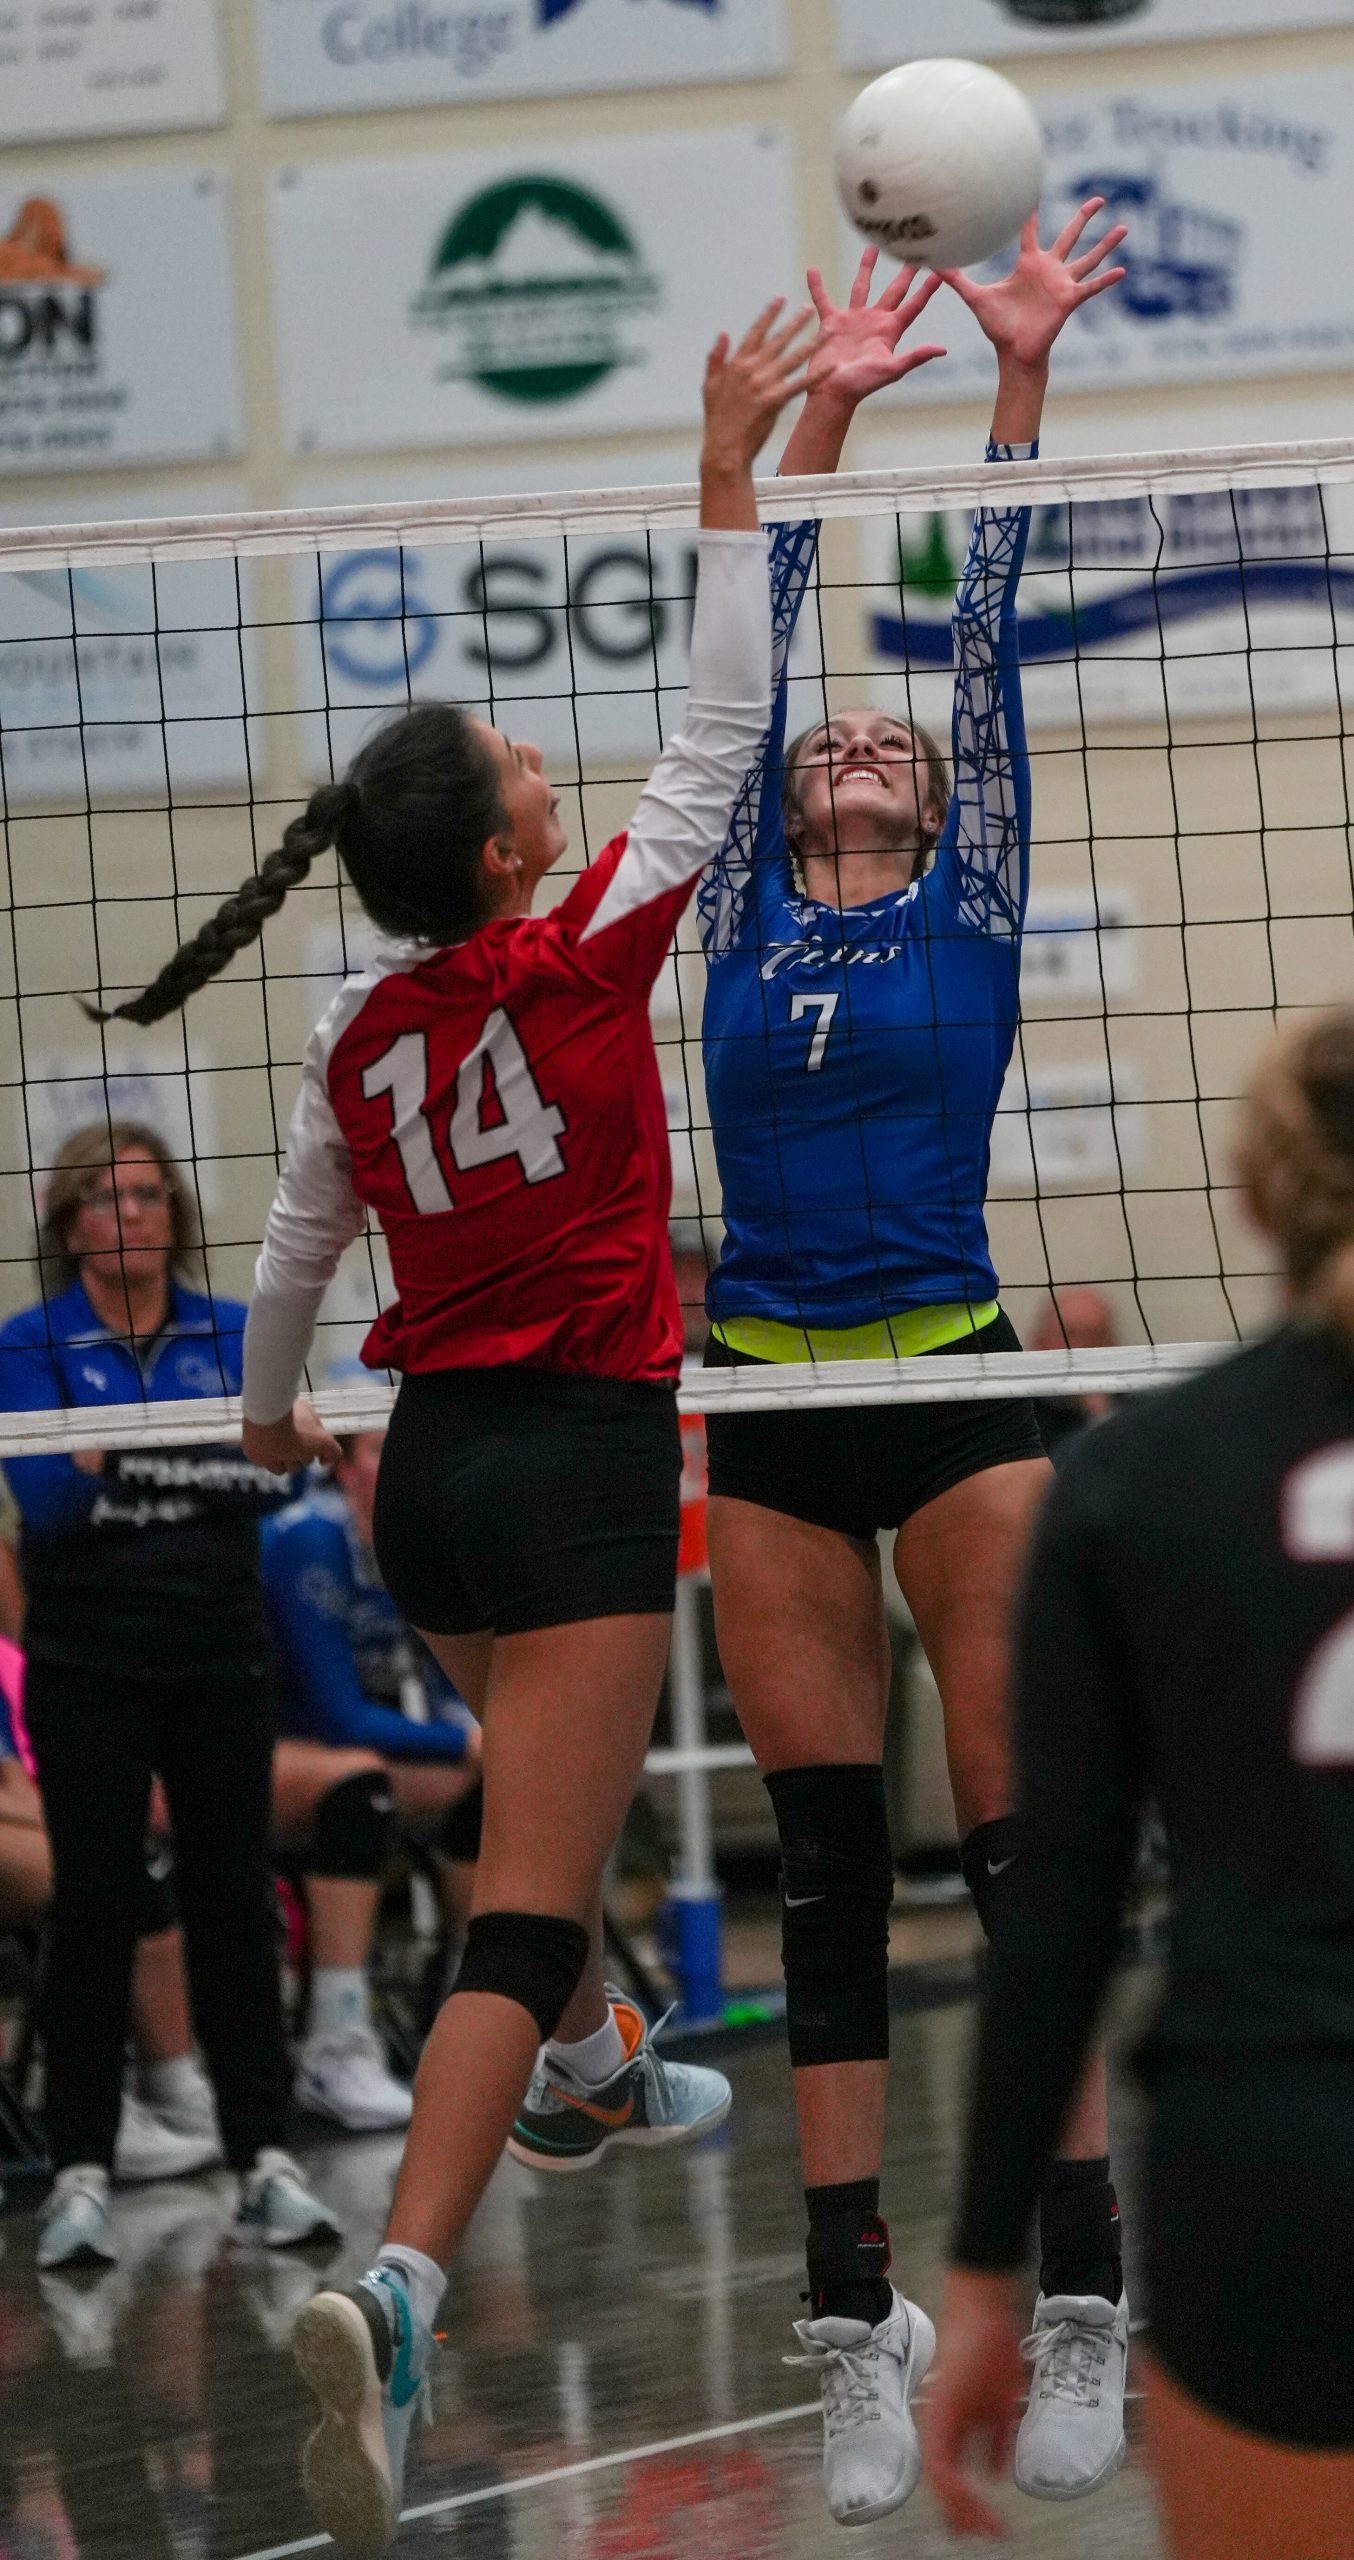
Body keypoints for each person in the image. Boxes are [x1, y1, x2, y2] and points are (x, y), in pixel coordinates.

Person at [89, 303, 812, 2558]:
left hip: (427, 1477)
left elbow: (294, 1255)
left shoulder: (357, 1026)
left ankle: (597, 2065)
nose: (542, 767)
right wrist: (727, 465)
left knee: (542, 1838)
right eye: (517, 761)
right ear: (505, 856)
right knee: (520, 1894)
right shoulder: (584, 941)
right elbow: (727, 716)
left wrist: (268, 1417)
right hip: (579, 1466)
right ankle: (400, 2283)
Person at [695, 209, 1130, 2523]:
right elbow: (750, 648)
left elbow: (980, 635)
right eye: (827, 741)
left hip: (956, 1376)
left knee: (1027, 1844)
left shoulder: (970, 897)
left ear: (937, 805)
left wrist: (1013, 380)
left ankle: (1079, 2294)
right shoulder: (730, 911)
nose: (860, 734)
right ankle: (845, 2327)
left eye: (894, 742)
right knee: (828, 1873)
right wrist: (823, 419)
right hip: (764, 1396)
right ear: (787, 800)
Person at [923, 1006, 1354, 2559]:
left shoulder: (1128, 1480)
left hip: (1268, 2156)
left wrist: (984, 2275)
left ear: (1251, 1198)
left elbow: (1057, 1915)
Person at [0, 1121, 338, 2268]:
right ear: (68, 1222)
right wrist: (207, 1461)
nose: (131, 1214)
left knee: (232, 1893)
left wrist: (124, 1463)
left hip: (217, 1651)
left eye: (148, 1194)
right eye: (106, 1196)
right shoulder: (29, 1341)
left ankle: (263, 2157)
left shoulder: (231, 1330)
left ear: (175, 1214)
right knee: (97, 1902)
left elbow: (276, 1476)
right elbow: (49, 1505)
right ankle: (81, 2169)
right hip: (87, 1658)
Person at [264, 1428, 482, 2131]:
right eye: (380, 1449)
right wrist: (465, 1739)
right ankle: (335, 2043)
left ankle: (480, 2013)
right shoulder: (311, 1538)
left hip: (329, 1747)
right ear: (343, 1466)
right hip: (249, 1749)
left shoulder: (410, 1539)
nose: (401, 1462)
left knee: (492, 1782)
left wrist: (480, 1736)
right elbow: (338, 1716)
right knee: (359, 1788)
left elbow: (449, 1684)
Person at [1026, 1283, 1119, 1463]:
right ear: (1038, 1341)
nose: (1081, 1347)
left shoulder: (1135, 1410)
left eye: (1095, 1335)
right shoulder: (1018, 1415)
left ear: (1113, 1343)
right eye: (1069, 1334)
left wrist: (1101, 1417)